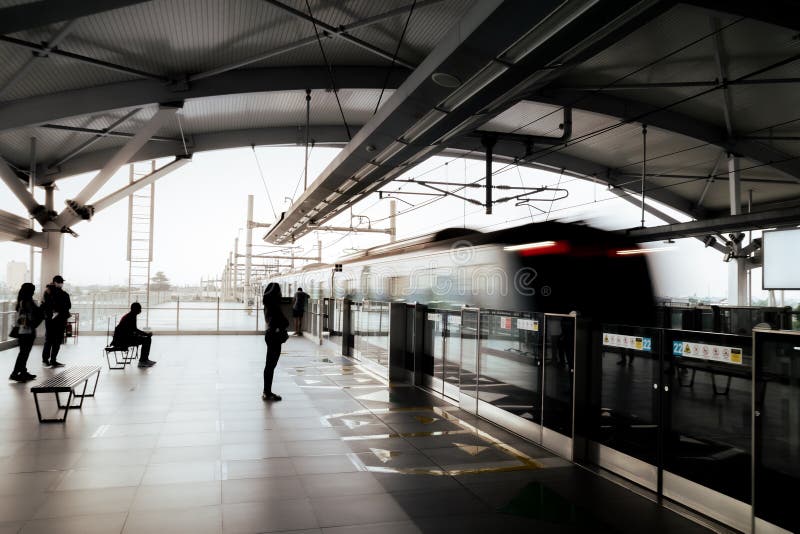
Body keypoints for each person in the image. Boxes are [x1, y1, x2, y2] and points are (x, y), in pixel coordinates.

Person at [9, 283, 42, 382]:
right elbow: (30, 315)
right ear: (29, 291)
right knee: (24, 353)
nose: (34, 292)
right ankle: (14, 373)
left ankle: (23, 371)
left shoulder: (22, 301)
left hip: (24, 331)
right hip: (26, 332)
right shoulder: (26, 302)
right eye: (33, 290)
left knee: (24, 353)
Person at [262, 282, 289, 401]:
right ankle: (267, 392)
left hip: (270, 335)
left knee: (269, 365)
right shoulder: (274, 306)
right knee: (270, 366)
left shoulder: (267, 304)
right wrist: (282, 325)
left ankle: (266, 391)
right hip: (274, 337)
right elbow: (279, 321)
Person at [112, 303, 155, 368]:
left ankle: (145, 359)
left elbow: (132, 330)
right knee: (147, 339)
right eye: (139, 308)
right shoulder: (130, 316)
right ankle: (142, 361)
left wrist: (144, 335)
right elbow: (134, 330)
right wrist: (146, 334)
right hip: (123, 340)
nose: (140, 310)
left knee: (146, 339)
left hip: (124, 338)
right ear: (135, 309)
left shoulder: (131, 315)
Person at [41, 275, 71, 368]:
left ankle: (52, 360)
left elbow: (68, 305)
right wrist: (60, 309)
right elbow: (47, 305)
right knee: (50, 340)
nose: (61, 284)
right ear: (55, 282)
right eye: (59, 282)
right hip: (53, 319)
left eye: (62, 282)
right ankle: (47, 360)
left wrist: (58, 309)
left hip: (57, 319)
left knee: (55, 340)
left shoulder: (62, 293)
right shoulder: (49, 292)